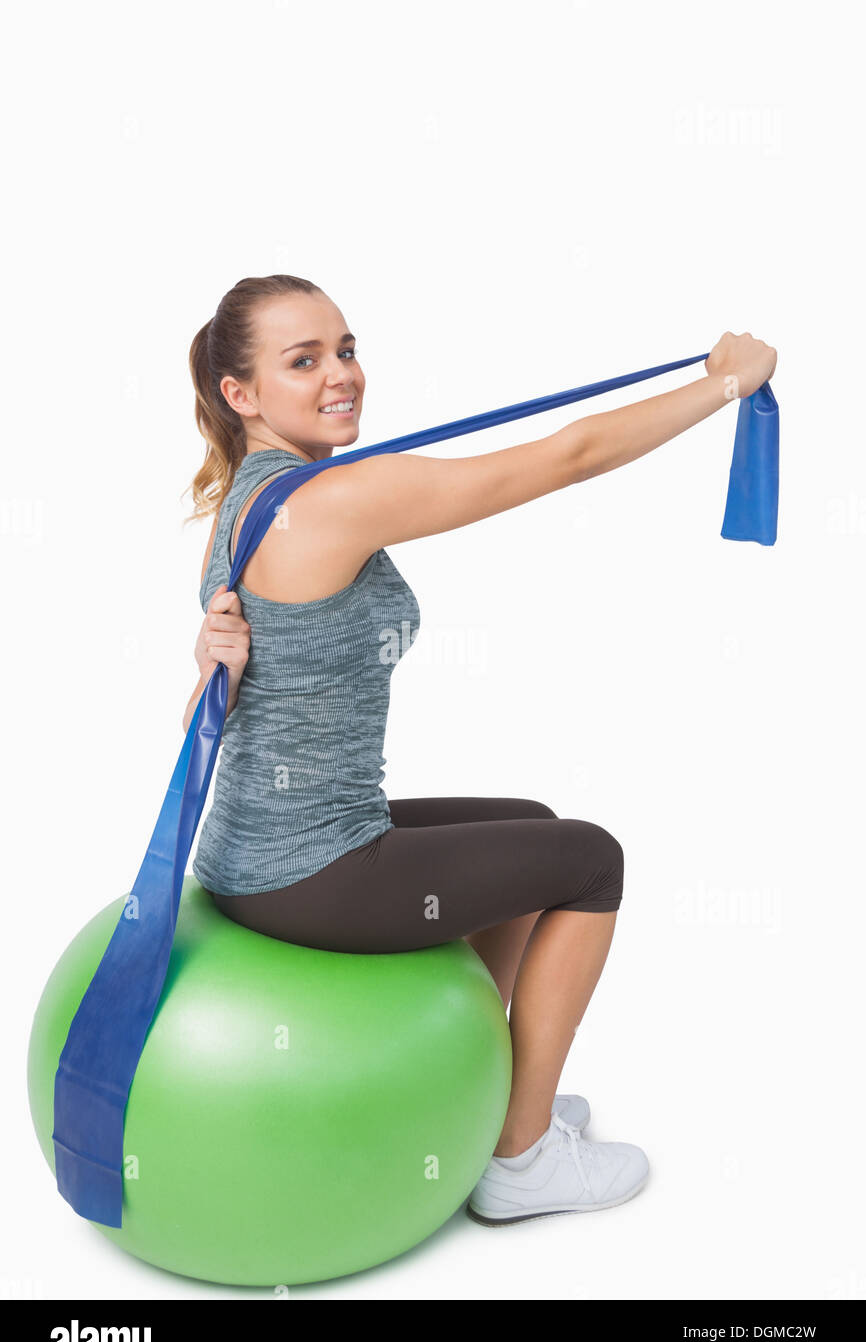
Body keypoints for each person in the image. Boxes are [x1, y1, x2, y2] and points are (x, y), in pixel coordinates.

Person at [182, 273, 776, 1226]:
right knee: (591, 860)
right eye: (304, 361)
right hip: (311, 870)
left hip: (253, 855)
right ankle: (522, 1157)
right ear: (239, 393)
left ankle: (483, 1087)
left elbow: (212, 705)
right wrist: (727, 384)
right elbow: (567, 458)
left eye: (344, 348)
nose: (342, 375)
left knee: (534, 832)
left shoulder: (243, 500)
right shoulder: (339, 497)